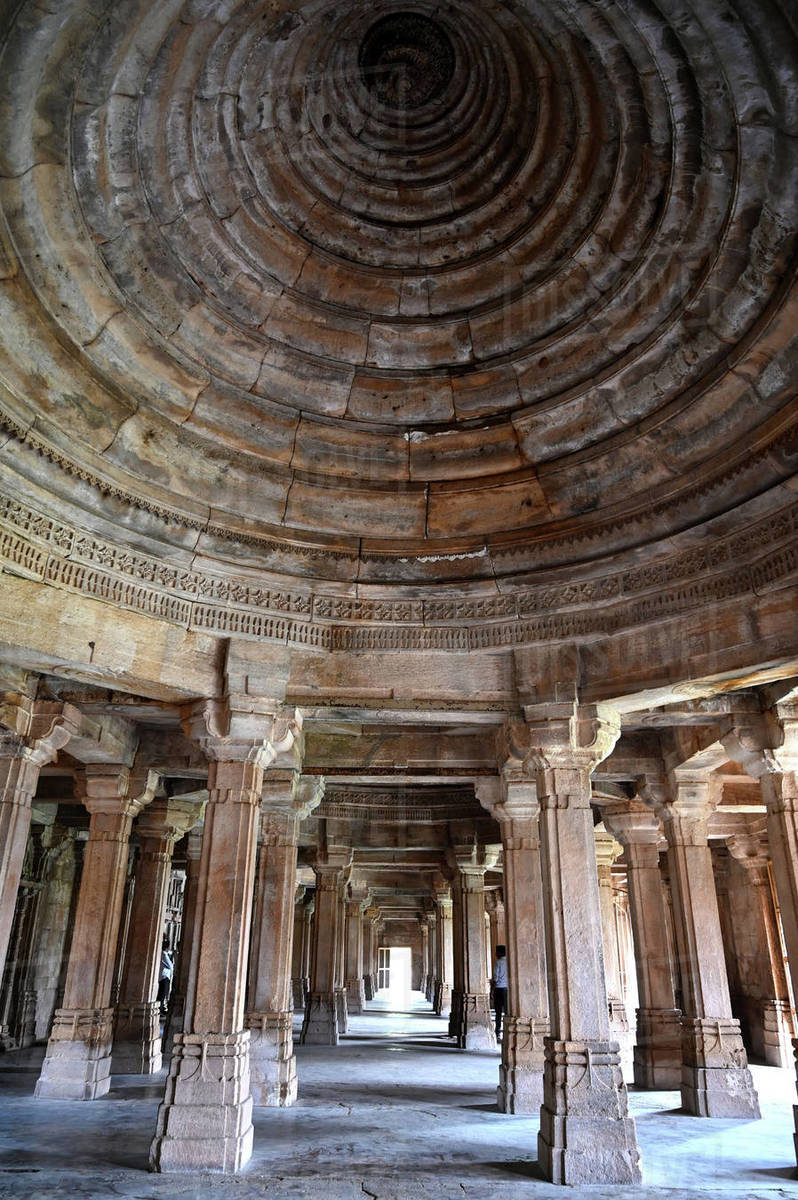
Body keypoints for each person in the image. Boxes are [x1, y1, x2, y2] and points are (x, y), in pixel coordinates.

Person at [493, 944, 507, 1042]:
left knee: (498, 1012)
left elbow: (495, 978)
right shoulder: (509, 963)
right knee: (507, 1011)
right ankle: (506, 1031)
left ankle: (497, 1031)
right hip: (507, 989)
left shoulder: (498, 963)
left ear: (499, 953)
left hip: (498, 988)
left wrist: (492, 988)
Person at [158, 943, 174, 1013]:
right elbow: (170, 966)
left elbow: (171, 952)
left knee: (161, 993)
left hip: (162, 976)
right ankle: (160, 1009)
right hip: (165, 976)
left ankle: (160, 1008)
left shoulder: (163, 954)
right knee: (163, 993)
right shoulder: (164, 955)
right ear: (167, 948)